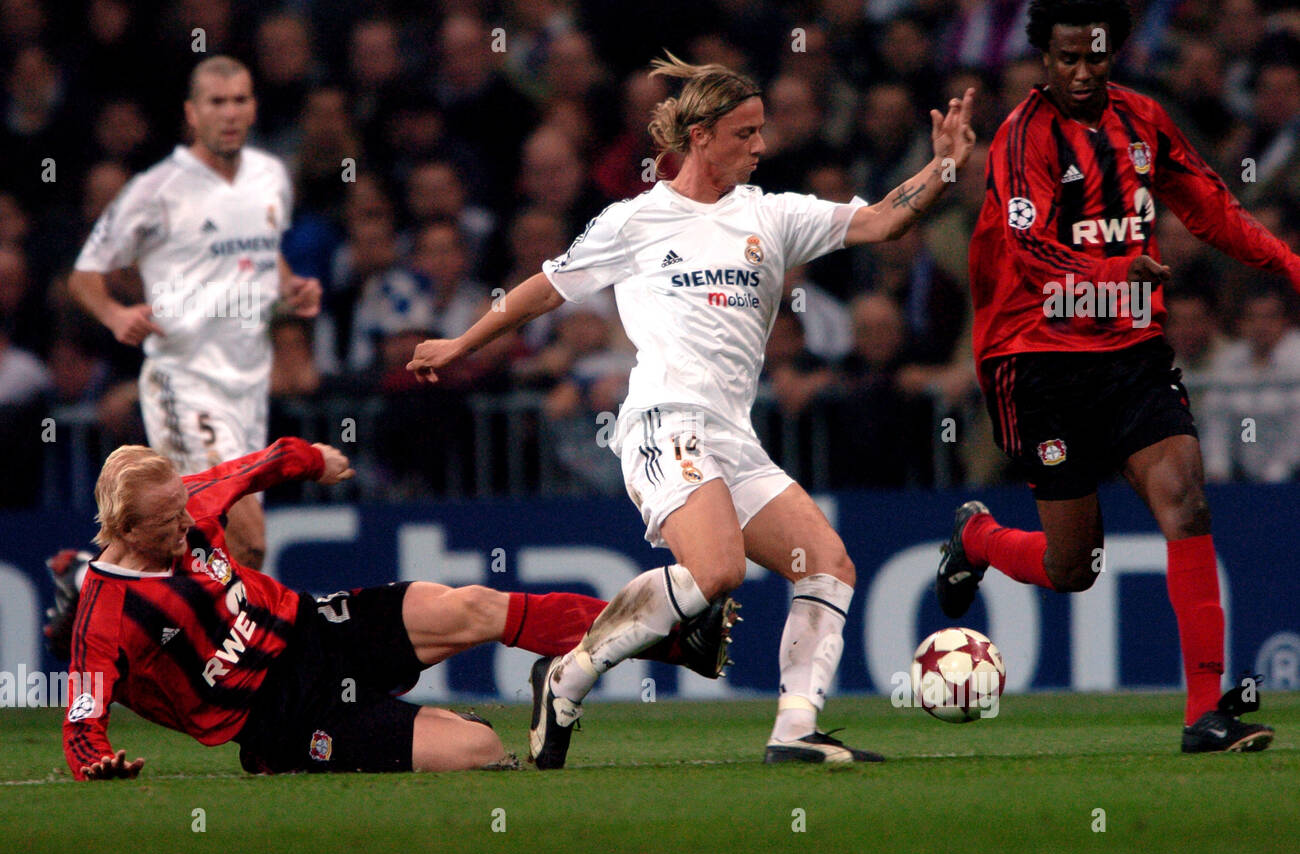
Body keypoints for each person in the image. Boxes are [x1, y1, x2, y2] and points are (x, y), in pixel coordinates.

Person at [409, 52, 977, 767]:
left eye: (763, 131)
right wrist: (462, 342)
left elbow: (882, 223)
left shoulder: (772, 215)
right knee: (718, 573)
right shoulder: (635, 221)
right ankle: (569, 672)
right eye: (745, 133)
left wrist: (944, 166)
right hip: (660, 422)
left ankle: (794, 729)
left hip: (731, 437)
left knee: (828, 563)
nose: (761, 146)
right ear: (700, 135)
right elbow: (544, 290)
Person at [937, 0, 1298, 753]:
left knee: (1187, 505)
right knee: (1075, 566)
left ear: (1114, 54)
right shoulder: (1022, 137)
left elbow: (1212, 208)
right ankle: (977, 537)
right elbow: (1028, 248)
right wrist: (1110, 268)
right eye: (1066, 58)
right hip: (1037, 356)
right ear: (1045, 57)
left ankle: (1206, 715)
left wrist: (1291, 264)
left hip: (1131, 351)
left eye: (1094, 57)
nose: (1081, 71)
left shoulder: (1145, 121)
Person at [63, 436, 735, 780]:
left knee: (475, 604)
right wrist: (97, 761)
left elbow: (254, 467)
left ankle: (680, 641)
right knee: (479, 748)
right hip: (283, 719)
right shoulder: (104, 618)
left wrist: (310, 460)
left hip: (315, 629)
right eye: (169, 523)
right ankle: (408, 727)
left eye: (186, 509)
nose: (189, 525)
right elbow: (82, 719)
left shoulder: (185, 506)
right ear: (124, 529)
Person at [67, 55, 322, 573]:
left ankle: (95, 582)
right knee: (247, 538)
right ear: (192, 112)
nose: (230, 112)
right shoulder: (155, 190)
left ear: (253, 108)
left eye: (240, 100)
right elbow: (84, 274)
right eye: (217, 102)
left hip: (249, 388)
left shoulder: (271, 176)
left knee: (213, 546)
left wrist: (290, 285)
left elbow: (259, 249)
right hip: (184, 383)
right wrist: (115, 315)